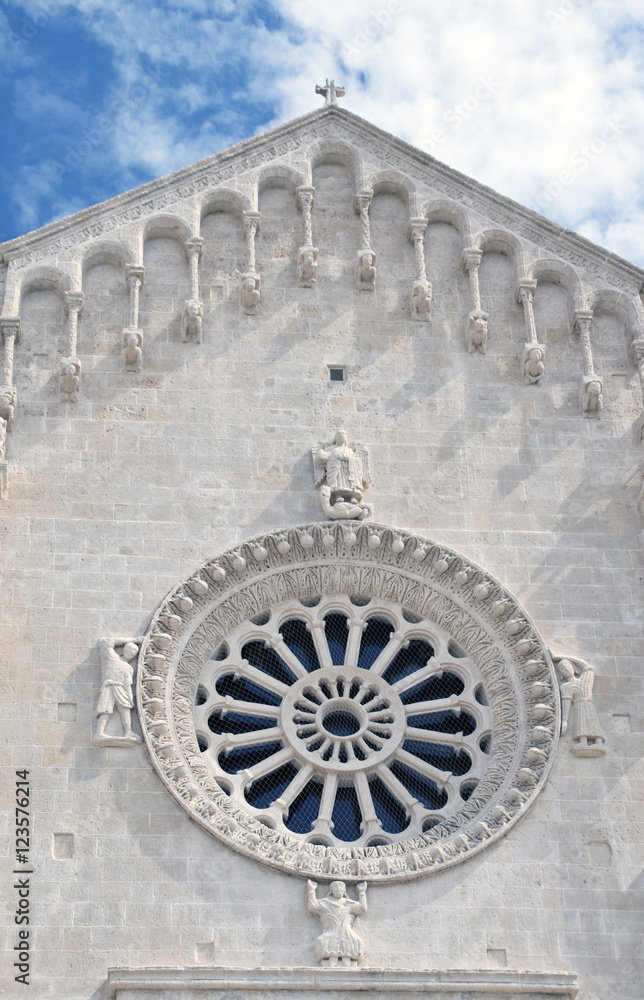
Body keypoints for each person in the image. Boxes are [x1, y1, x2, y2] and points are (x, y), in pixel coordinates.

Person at [94, 636, 144, 744]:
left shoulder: (129, 668)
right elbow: (106, 641)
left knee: (125, 708)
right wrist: (134, 640)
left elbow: (127, 684)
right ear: (124, 649)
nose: (131, 653)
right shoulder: (113, 658)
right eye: (130, 650)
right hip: (110, 686)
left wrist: (130, 697)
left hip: (121, 688)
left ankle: (128, 731)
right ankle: (99, 733)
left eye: (134, 652)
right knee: (105, 709)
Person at [307, 880, 368, 966]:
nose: (339, 889)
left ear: (344, 891)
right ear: (331, 890)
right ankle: (332, 958)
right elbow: (313, 906)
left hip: (346, 931)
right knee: (321, 942)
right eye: (336, 888)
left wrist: (362, 892)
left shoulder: (349, 904)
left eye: (341, 888)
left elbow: (362, 908)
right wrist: (311, 891)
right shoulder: (326, 903)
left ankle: (347, 958)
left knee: (358, 943)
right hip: (331, 931)